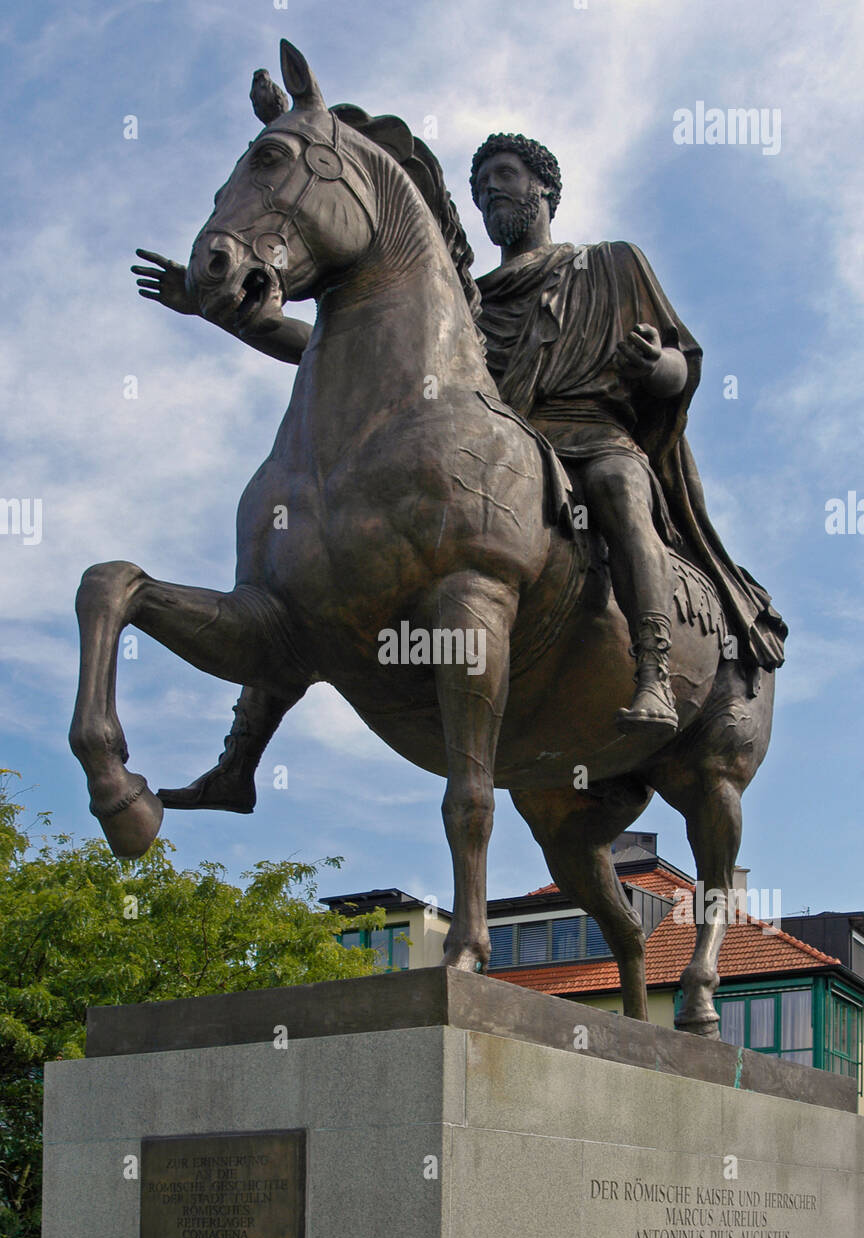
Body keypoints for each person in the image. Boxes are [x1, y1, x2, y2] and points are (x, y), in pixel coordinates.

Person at [132, 131, 784, 813]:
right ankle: (239, 760)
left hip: (589, 436)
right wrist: (224, 312)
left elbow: (681, 361)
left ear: (543, 186)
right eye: (479, 188)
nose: (491, 192)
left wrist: (661, 367)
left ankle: (651, 668)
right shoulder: (470, 303)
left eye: (503, 176)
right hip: (493, 453)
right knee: (312, 559)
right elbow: (328, 348)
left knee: (621, 486)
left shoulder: (609, 264)